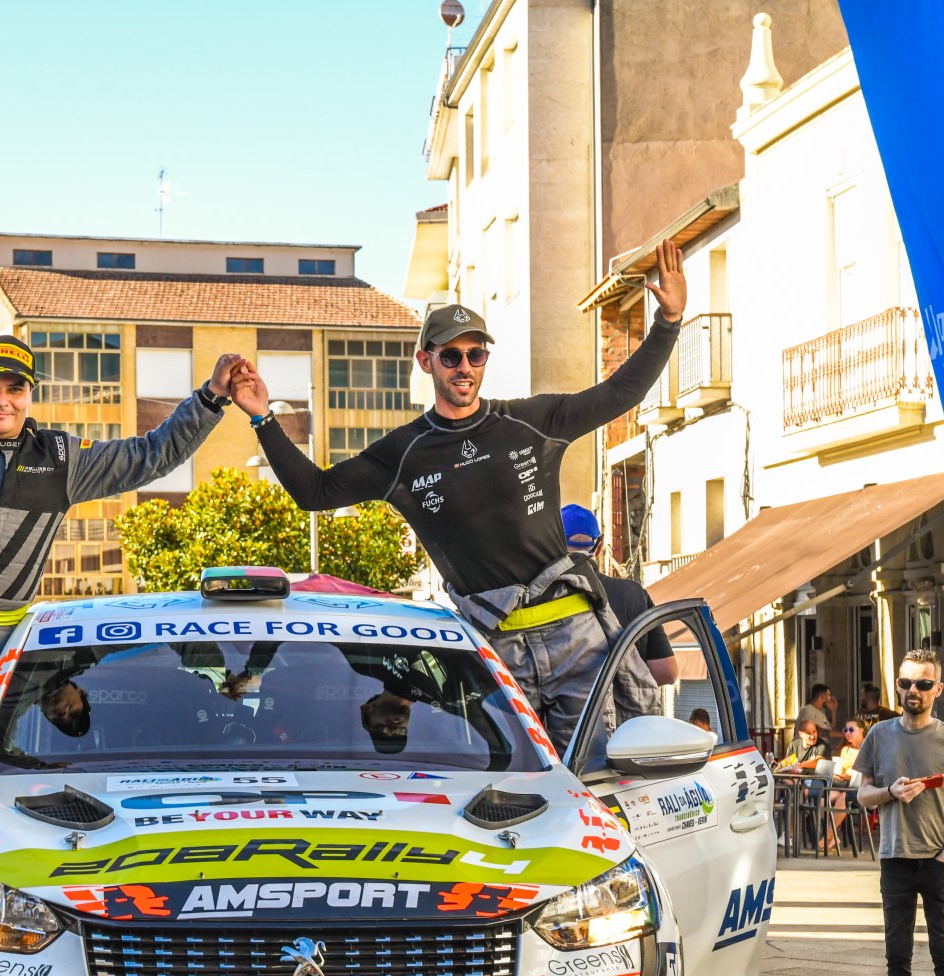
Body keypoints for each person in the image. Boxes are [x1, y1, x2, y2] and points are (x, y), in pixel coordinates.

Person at [234, 243, 686, 753]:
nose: (464, 367)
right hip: (493, 650)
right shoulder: (403, 454)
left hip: (574, 636)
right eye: (451, 356)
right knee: (509, 778)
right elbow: (314, 492)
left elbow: (619, 394)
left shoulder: (531, 422)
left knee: (596, 773)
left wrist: (668, 321)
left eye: (475, 354)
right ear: (426, 361)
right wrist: (262, 418)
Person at [0, 230, 246, 767]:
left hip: (5, 637)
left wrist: (210, 399)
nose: (1, 400)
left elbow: (152, 455)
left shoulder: (61, 458)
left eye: (15, 389)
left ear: (31, 394)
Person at [854, 649, 944, 976]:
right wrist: (890, 792)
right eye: (906, 682)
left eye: (923, 683)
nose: (914, 690)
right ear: (897, 686)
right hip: (895, 857)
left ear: (937, 689)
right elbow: (863, 795)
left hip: (938, 859)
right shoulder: (879, 735)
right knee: (896, 957)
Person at [563, 505, 677, 685]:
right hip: (631, 712)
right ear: (599, 548)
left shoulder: (541, 596)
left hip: (571, 713)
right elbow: (666, 672)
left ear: (554, 546)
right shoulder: (634, 594)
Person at [822, 715, 873, 851]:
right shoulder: (845, 749)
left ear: (861, 730)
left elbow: (866, 774)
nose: (847, 733)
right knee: (822, 799)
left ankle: (828, 836)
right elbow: (841, 770)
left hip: (860, 789)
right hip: (843, 785)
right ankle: (833, 837)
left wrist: (846, 775)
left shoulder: (868, 748)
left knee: (843, 798)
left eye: (851, 729)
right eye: (845, 730)